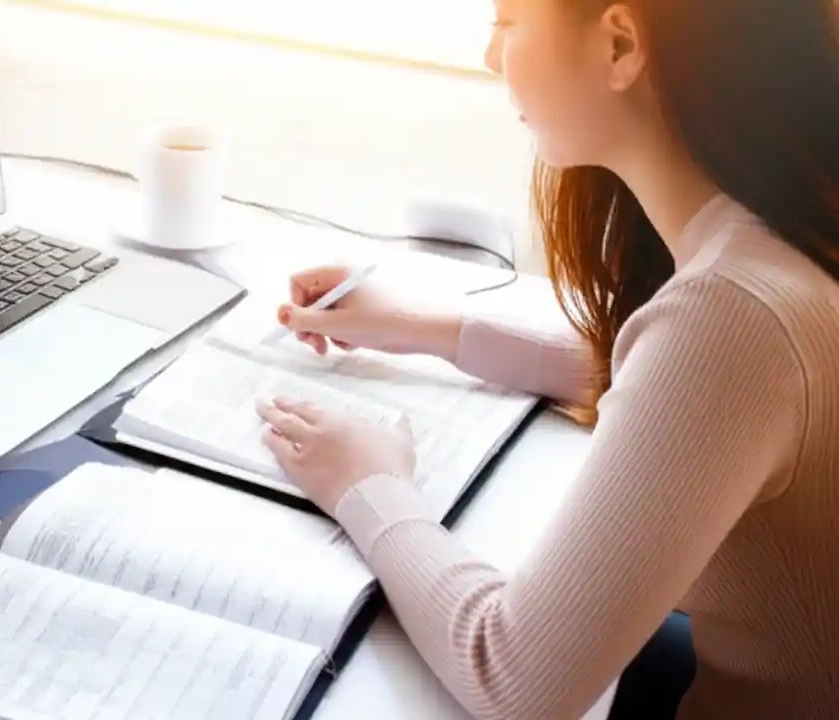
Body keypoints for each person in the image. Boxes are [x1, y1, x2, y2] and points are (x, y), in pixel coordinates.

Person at [255, 1, 839, 718]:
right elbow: (689, 399)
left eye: (507, 22)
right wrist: (420, 328)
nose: (491, 59)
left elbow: (516, 678)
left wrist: (365, 482)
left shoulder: (736, 314)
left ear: (621, 44)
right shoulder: (789, 235)